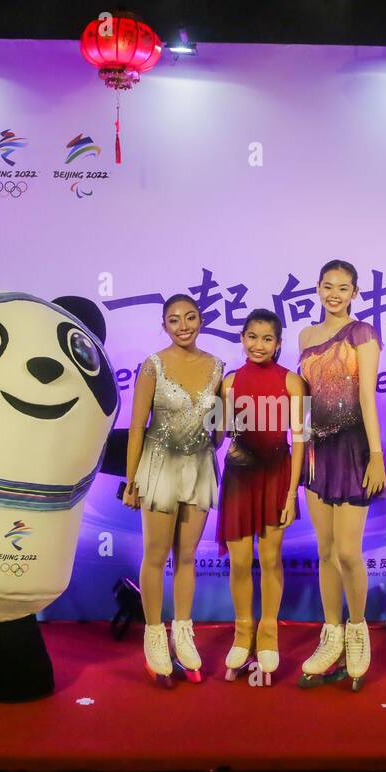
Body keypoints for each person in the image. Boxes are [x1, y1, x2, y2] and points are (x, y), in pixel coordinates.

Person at [123, 294, 224, 686]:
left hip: (199, 466)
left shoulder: (217, 366)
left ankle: (183, 632)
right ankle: (153, 635)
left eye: (190, 317)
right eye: (174, 319)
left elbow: (219, 424)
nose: (183, 325)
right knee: (155, 555)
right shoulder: (153, 366)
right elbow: (136, 427)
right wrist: (131, 479)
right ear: (163, 325)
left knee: (186, 556)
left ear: (201, 320)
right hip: (159, 465)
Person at [296, 260, 385, 691]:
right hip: (316, 452)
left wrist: (376, 454)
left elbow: (366, 395)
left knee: (349, 552)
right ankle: (329, 636)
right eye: (328, 286)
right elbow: (304, 404)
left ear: (354, 293)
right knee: (325, 550)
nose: (335, 293)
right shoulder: (305, 336)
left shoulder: (362, 333)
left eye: (343, 287)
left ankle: (357, 631)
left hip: (352, 449)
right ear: (317, 288)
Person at [217, 309, 306, 686]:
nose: (258, 345)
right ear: (242, 338)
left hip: (276, 477)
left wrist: (290, 494)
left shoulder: (293, 383)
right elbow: (217, 434)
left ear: (279, 343)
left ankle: (268, 633)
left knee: (269, 560)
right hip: (239, 477)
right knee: (239, 563)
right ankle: (242, 632)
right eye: (252, 336)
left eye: (267, 338)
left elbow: (299, 441)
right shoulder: (229, 381)